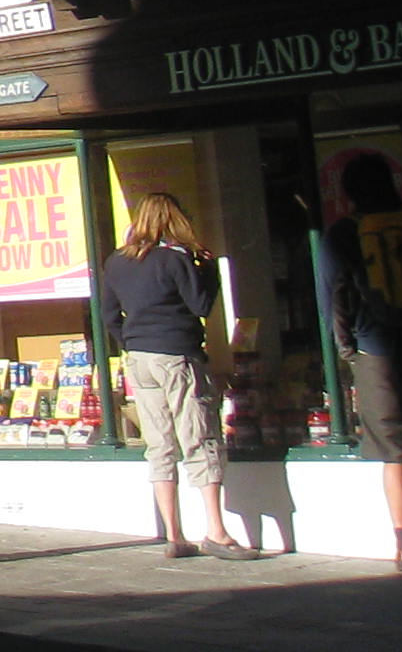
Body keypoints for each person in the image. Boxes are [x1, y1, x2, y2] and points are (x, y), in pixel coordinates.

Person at [103, 191, 257, 559]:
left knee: (160, 445)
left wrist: (132, 341)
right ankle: (216, 532)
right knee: (199, 437)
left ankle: (174, 534)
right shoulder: (175, 260)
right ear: (174, 220)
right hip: (177, 355)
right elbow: (201, 304)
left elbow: (109, 315)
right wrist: (209, 268)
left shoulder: (116, 263)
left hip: (139, 358)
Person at [318, 154, 402, 573]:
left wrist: (346, 349)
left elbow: (330, 296)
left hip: (376, 350)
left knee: (394, 453)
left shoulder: (341, 235)